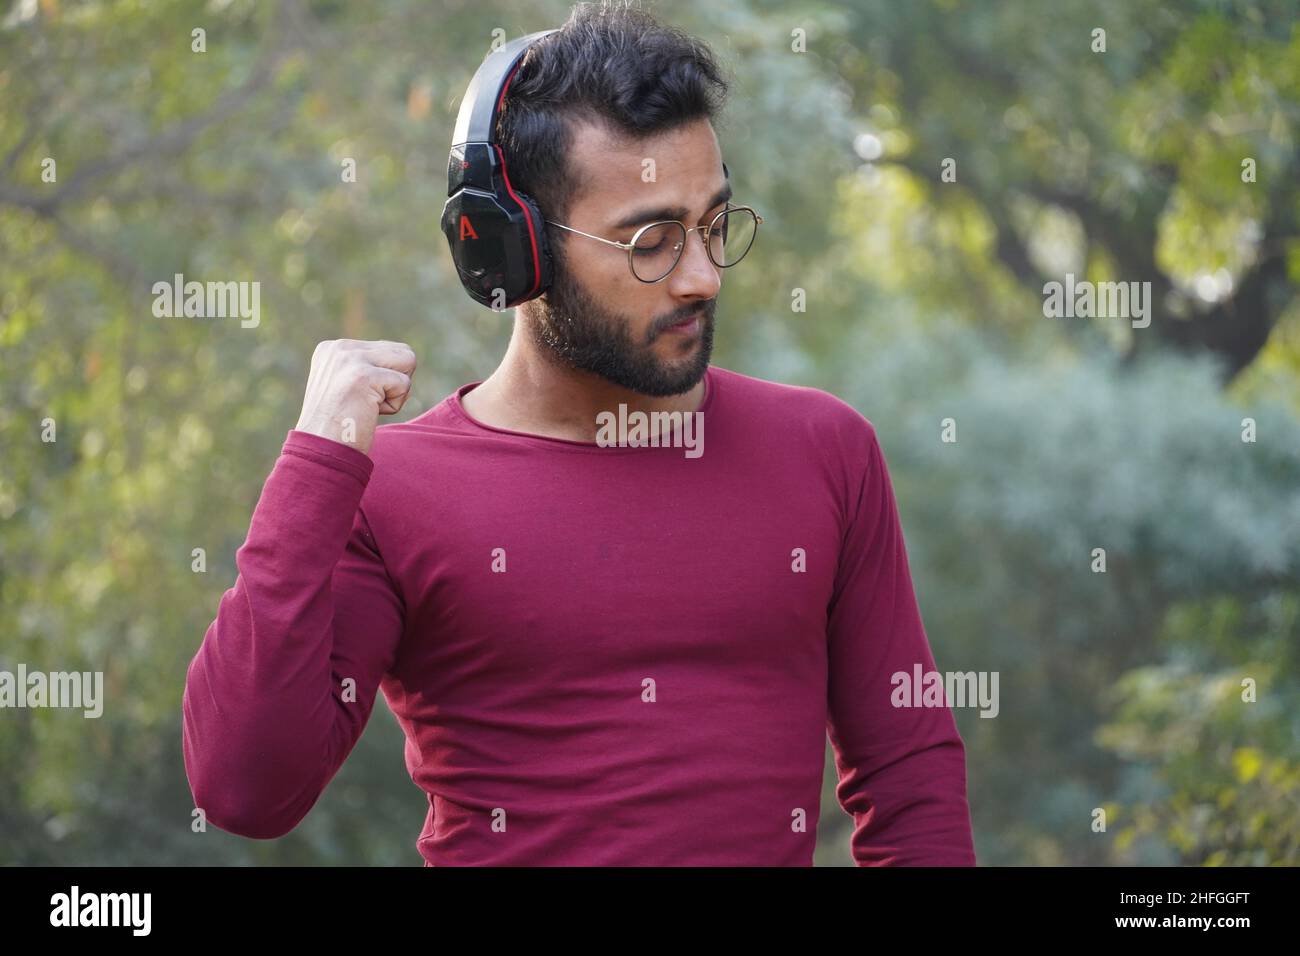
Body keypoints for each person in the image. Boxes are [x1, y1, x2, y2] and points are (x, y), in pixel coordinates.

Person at [181, 0, 976, 866]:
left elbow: (910, 781)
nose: (705, 278)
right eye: (651, 243)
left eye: (714, 225)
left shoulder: (827, 452)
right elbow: (245, 789)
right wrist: (315, 464)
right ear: (511, 251)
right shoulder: (386, 491)